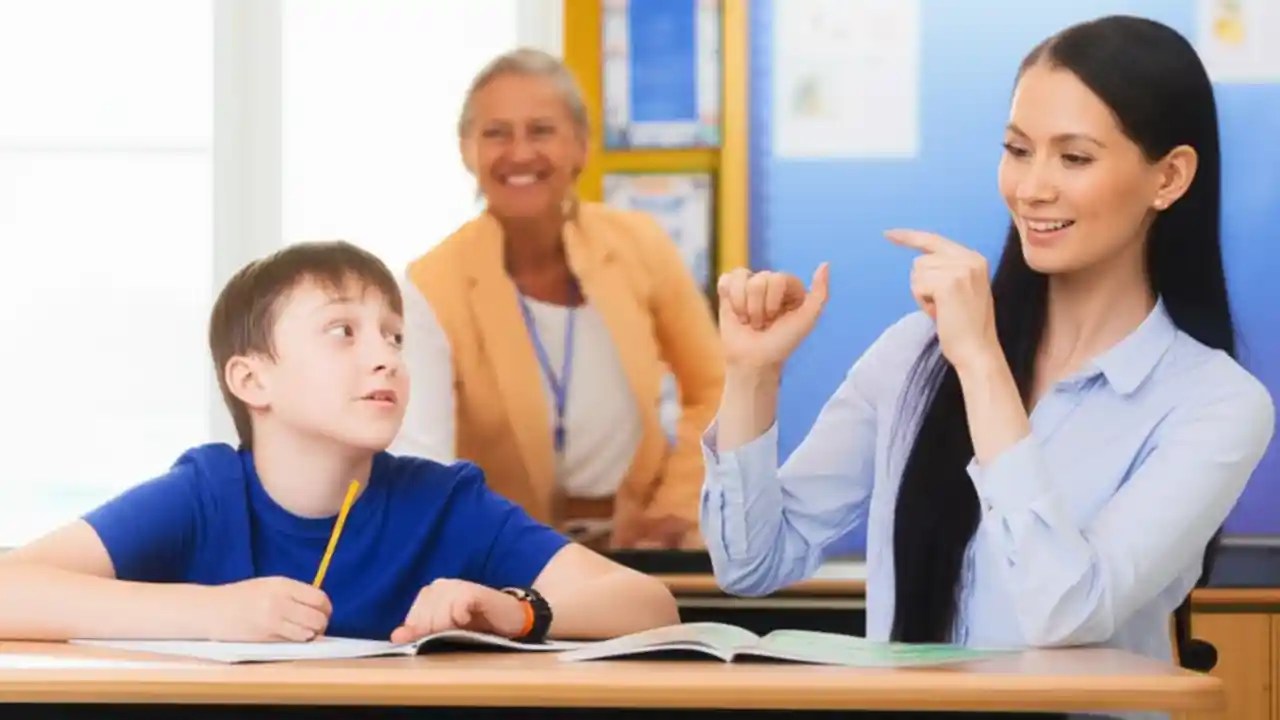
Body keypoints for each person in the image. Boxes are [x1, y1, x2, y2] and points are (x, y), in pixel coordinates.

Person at [702, 11, 1274, 699]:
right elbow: (753, 561)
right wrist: (751, 374)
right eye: (1017, 148)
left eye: (1075, 157)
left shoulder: (1215, 403)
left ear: (1170, 177)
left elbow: (1067, 612)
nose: (1031, 188)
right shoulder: (915, 353)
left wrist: (980, 364)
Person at [0, 240, 679, 643]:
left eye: (393, 335)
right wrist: (211, 612)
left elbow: (650, 605)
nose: (385, 356)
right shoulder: (205, 496)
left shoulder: (444, 502)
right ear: (252, 379)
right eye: (342, 332)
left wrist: (517, 611)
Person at [392, 48, 723, 550]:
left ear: (581, 147)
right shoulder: (430, 284)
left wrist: (675, 508)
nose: (520, 153)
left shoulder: (640, 243)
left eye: (541, 130)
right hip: (502, 554)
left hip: (649, 546)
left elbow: (714, 387)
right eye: (496, 133)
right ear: (466, 150)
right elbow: (425, 461)